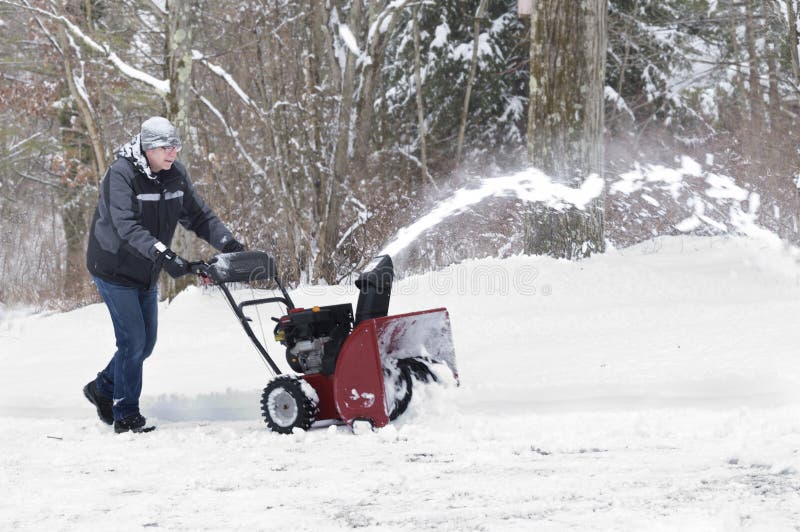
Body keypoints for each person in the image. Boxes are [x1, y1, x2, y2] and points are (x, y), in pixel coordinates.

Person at [83, 116, 245, 434]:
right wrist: (165, 254)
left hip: (146, 267)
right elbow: (126, 225)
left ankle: (102, 387)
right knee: (133, 341)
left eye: (176, 146)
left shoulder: (175, 175)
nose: (173, 153)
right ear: (147, 148)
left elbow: (198, 215)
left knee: (146, 344)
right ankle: (126, 413)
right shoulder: (121, 175)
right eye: (165, 147)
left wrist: (229, 244)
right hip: (114, 267)